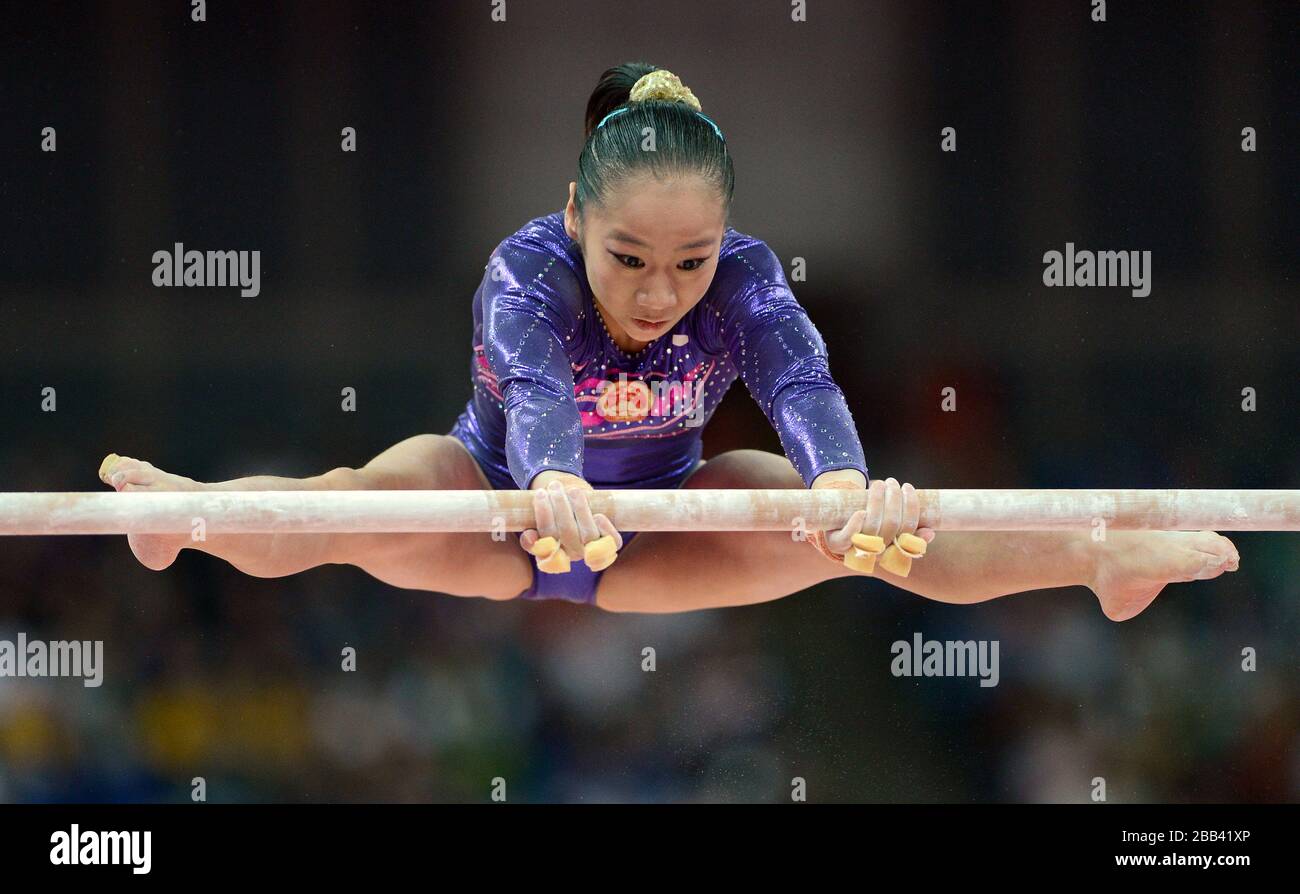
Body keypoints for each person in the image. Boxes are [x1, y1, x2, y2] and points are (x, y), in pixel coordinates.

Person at [97, 63, 1238, 619]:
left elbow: (798, 374)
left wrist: (844, 478)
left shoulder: (743, 280)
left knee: (869, 537)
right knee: (353, 503)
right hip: (495, 505)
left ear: (724, 236)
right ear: (576, 218)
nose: (659, 294)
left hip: (658, 529)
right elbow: (535, 386)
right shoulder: (523, 270)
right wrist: (548, 480)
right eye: (628, 258)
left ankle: (1099, 558)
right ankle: (185, 514)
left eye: (690, 261)